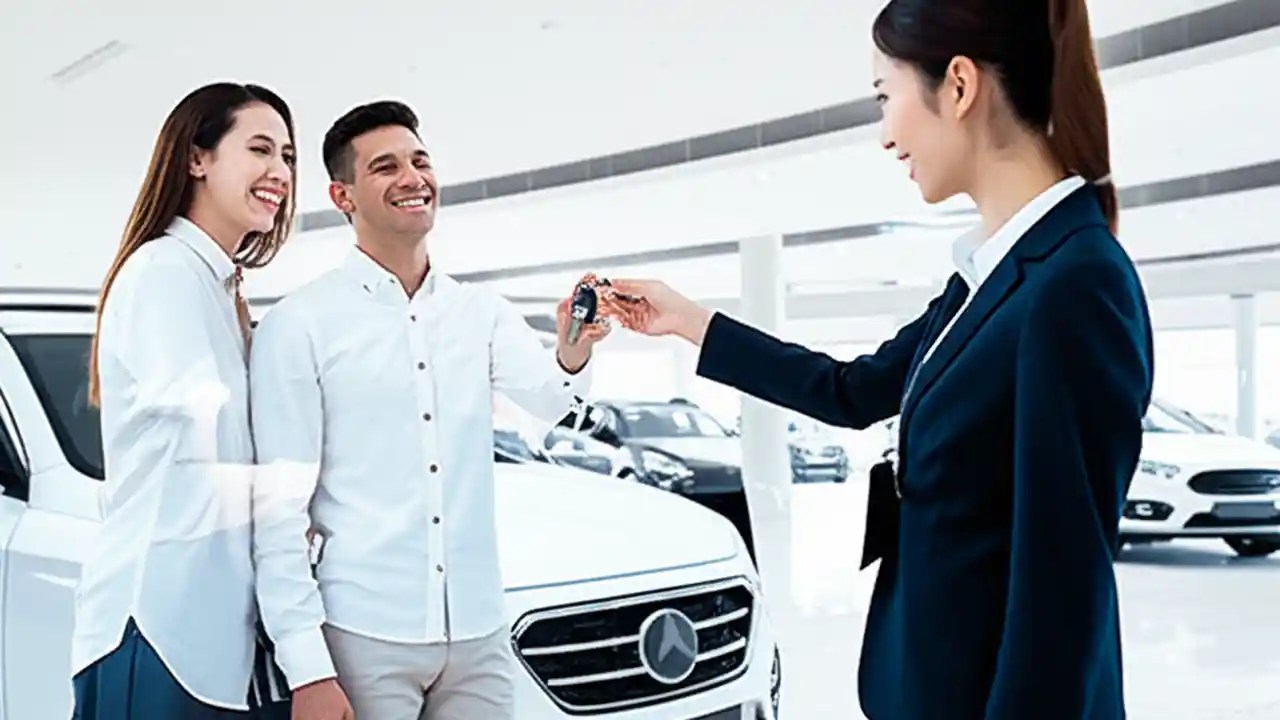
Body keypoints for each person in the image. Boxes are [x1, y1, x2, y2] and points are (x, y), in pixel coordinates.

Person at [609, 1, 1154, 718]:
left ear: (957, 87)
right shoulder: (988, 277)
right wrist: (687, 321)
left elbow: (1062, 593)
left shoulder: (1074, 284)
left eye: (884, 96)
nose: (885, 134)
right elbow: (853, 390)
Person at [248, 100, 612, 720]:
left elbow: (550, 398)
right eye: (385, 167)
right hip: (362, 633)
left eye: (421, 161)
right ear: (343, 196)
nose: (414, 178)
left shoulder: (481, 313)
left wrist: (572, 349)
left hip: (480, 631)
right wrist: (306, 668)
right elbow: (278, 511)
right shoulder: (299, 324)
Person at [75, 82, 303, 719]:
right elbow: (212, 454)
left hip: (213, 634)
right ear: (196, 158)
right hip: (159, 623)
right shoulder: (165, 273)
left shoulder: (220, 286)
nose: (279, 171)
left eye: (287, 156)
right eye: (260, 149)